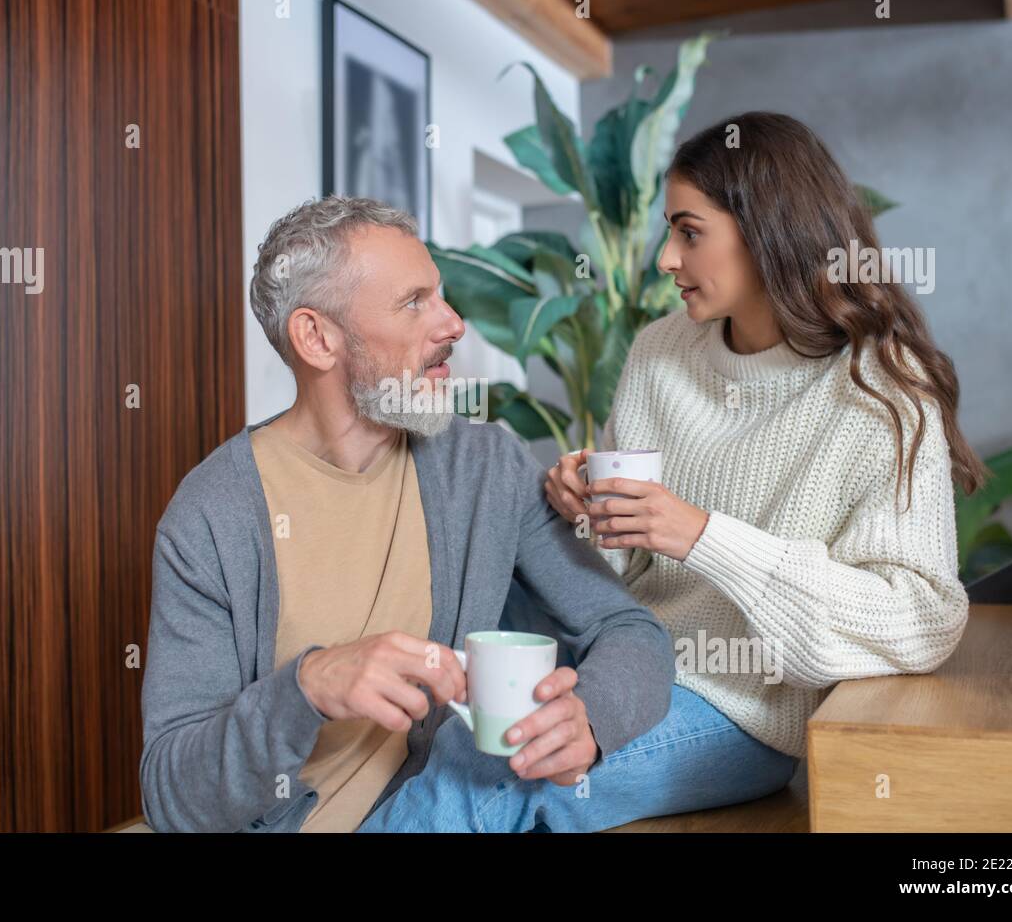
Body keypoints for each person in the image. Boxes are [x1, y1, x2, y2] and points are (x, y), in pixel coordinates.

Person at [357, 111, 979, 832]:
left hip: (736, 709)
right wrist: (581, 508)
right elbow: (621, 575)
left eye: (689, 231)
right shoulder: (661, 352)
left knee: (503, 765)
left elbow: (924, 620)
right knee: (451, 705)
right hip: (616, 658)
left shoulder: (882, 390)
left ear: (768, 231)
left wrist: (705, 536)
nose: (664, 259)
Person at [138, 195, 676, 833]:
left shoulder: (483, 468)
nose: (453, 324)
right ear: (317, 337)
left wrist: (589, 716)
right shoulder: (212, 516)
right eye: (413, 302)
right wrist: (306, 687)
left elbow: (629, 631)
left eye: (441, 296)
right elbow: (171, 798)